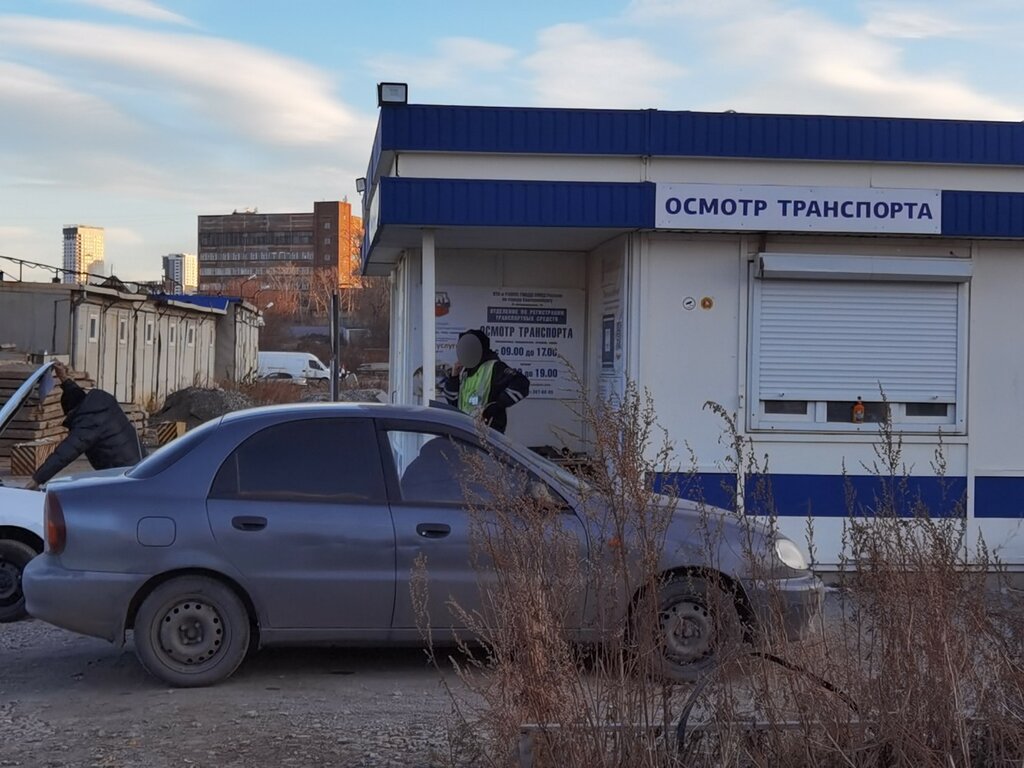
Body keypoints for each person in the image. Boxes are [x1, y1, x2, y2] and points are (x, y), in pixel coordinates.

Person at [25, 362, 144, 489]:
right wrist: (64, 378)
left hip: (126, 479)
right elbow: (75, 394)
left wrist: (37, 479)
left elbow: (64, 454)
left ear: (73, 412)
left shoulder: (88, 423)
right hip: (141, 468)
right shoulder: (100, 406)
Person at [441, 329, 529, 433]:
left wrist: (496, 406)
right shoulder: (465, 371)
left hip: (488, 433)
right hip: (467, 431)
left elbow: (521, 383)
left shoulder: (494, 367)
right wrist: (453, 377)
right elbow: (453, 401)